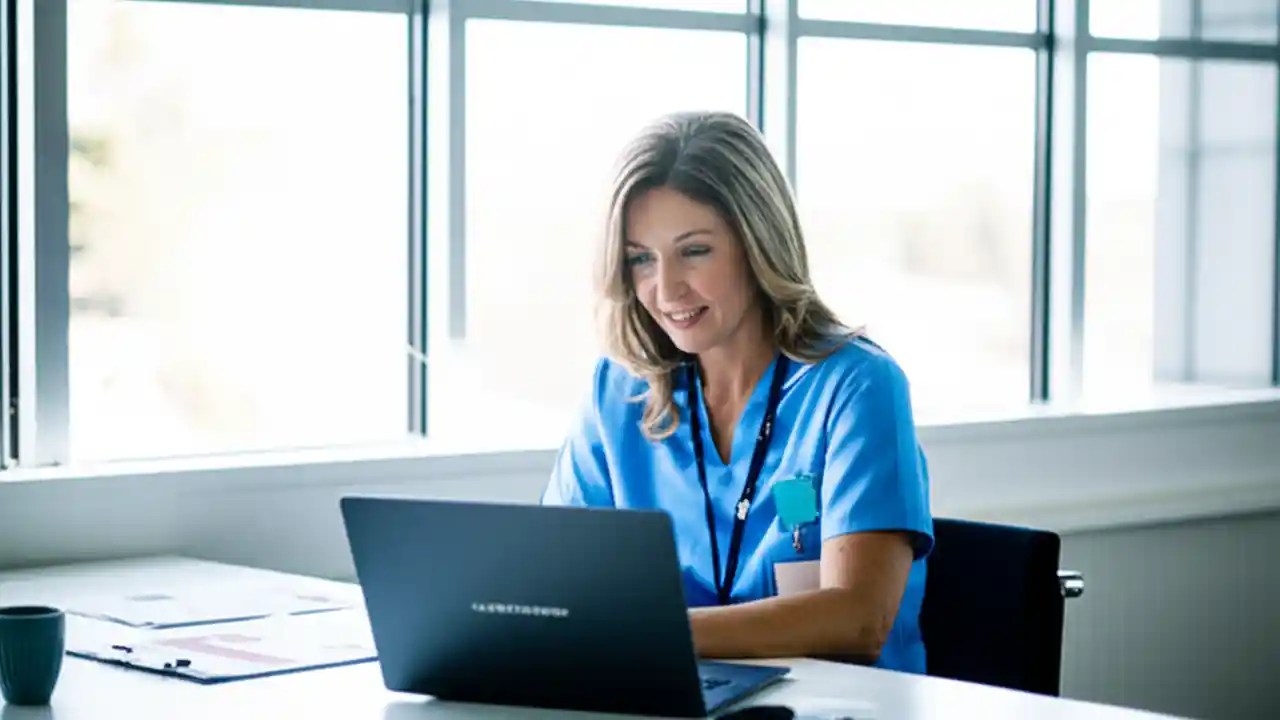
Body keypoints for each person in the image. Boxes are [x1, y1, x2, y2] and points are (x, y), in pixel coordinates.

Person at [541, 111, 933, 673]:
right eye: (641, 259)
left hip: (840, 704)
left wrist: (647, 633)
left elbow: (858, 620)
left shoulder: (856, 386)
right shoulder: (618, 392)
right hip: (674, 699)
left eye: (694, 251)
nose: (666, 289)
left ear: (757, 243)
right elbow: (560, 586)